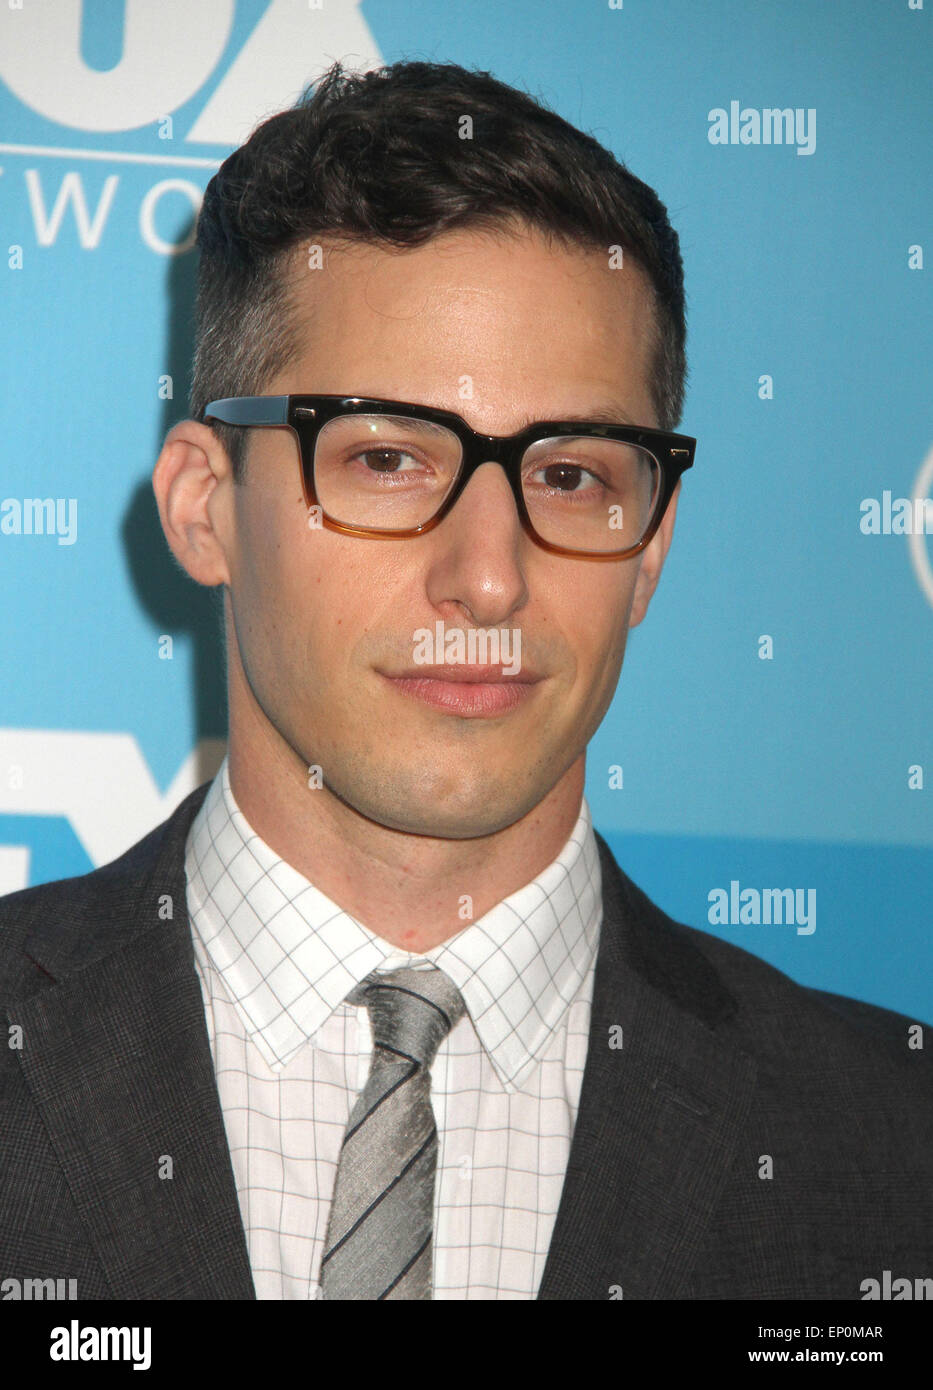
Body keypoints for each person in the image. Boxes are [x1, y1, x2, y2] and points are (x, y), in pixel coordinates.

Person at [1, 60, 930, 1303]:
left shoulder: (890, 1149)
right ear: (204, 506)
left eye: (572, 475)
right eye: (387, 456)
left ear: (650, 549)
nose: (488, 579)